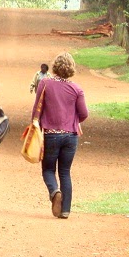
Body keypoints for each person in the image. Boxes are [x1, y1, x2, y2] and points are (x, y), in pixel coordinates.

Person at [31, 51, 88, 219]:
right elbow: (84, 114)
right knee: (65, 171)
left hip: (51, 135)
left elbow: (37, 109)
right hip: (71, 136)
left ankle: (55, 192)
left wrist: (35, 125)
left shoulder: (45, 83)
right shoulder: (77, 89)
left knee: (48, 169)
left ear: (55, 67)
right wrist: (74, 121)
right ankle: (65, 210)